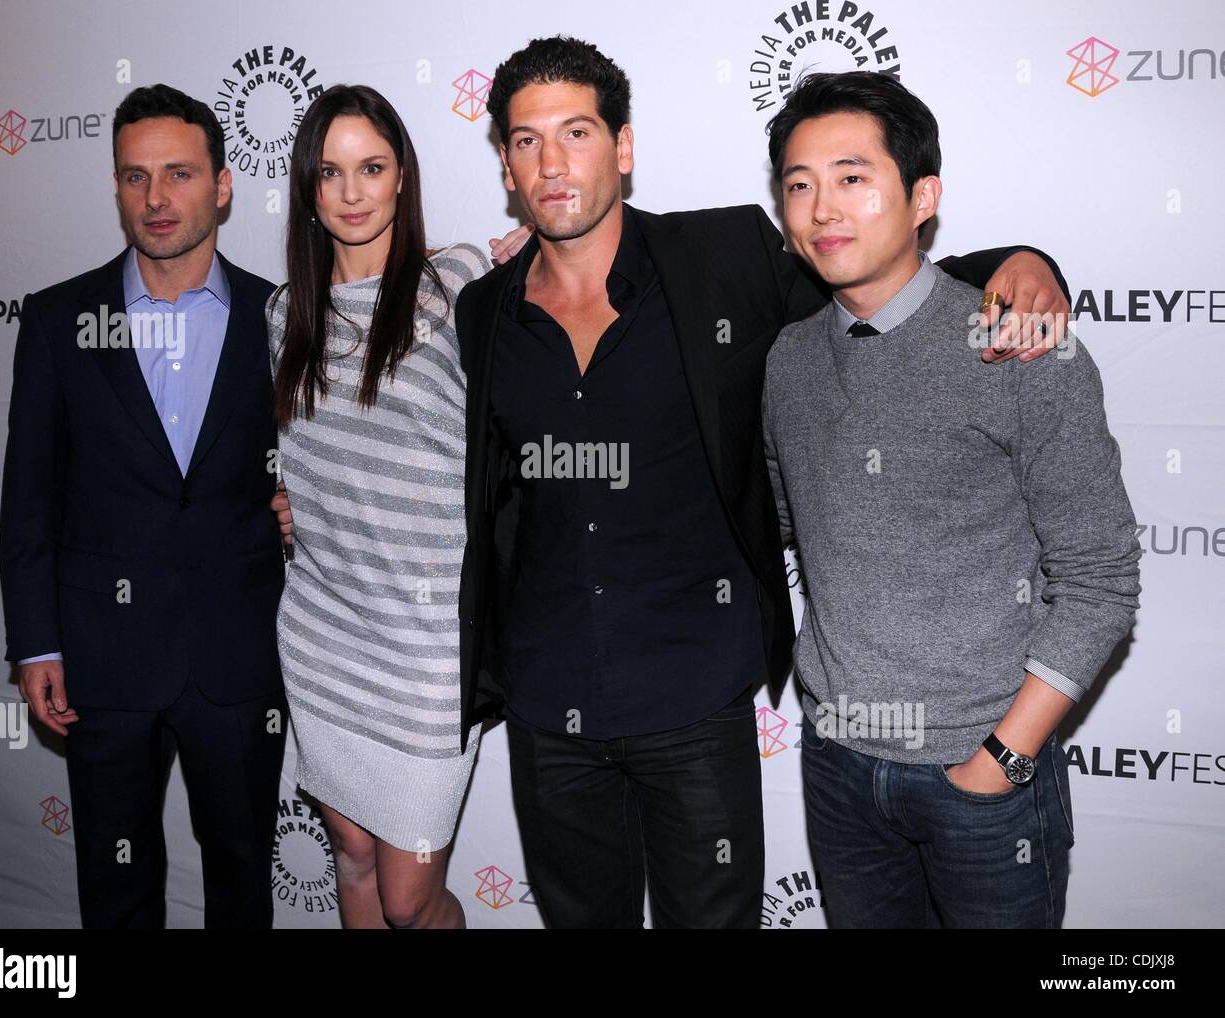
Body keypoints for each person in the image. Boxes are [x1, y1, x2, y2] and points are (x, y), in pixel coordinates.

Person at [451, 36, 1075, 929]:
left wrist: (1020, 260)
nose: (552, 163)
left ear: (622, 148)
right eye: (525, 141)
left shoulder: (723, 257)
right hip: (550, 710)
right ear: (507, 165)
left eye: (576, 132)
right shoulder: (486, 311)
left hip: (697, 702)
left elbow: (868, 272)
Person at [762, 71, 1140, 928]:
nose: (823, 207)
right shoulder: (787, 360)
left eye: (853, 177)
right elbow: (790, 524)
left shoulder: (1022, 346)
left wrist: (1003, 758)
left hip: (984, 779)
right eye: (799, 184)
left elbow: (1102, 578)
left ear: (922, 195)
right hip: (840, 768)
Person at [0, 84, 286, 928]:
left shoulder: (281, 317)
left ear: (223, 185)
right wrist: (36, 641)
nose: (156, 200)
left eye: (179, 174)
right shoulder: (58, 319)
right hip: (102, 659)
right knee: (115, 887)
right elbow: (30, 497)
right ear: (116, 186)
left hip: (238, 657)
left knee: (242, 883)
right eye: (134, 177)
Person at [267, 84, 500, 928]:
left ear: (402, 174)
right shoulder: (283, 316)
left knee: (410, 897)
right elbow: (299, 459)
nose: (353, 191)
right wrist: (286, 500)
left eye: (371, 167)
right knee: (355, 859)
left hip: (432, 649)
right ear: (308, 190)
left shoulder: (460, 282)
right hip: (325, 631)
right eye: (330, 174)